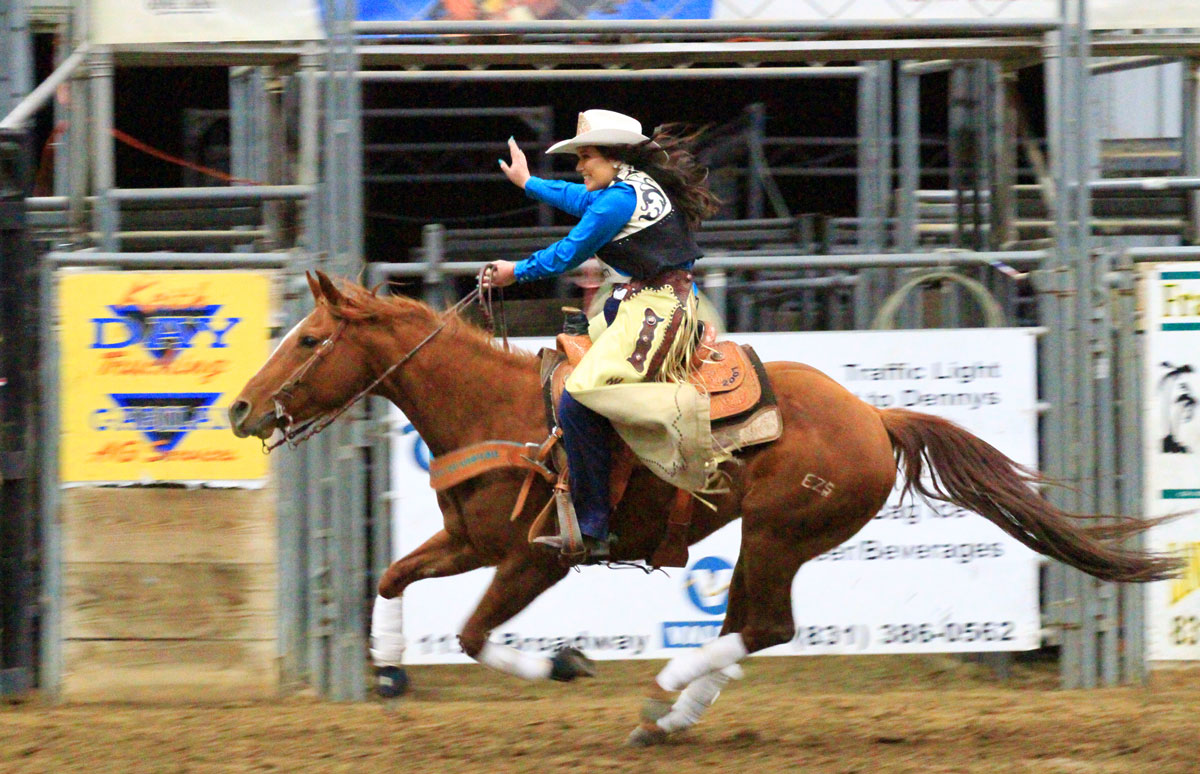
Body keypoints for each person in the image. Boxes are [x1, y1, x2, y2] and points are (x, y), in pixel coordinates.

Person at [486, 109, 722, 561]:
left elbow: (570, 250)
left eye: (586, 156)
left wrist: (516, 271)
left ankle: (593, 522)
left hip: (656, 309)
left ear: (613, 157)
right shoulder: (625, 189)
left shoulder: (616, 201)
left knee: (579, 395)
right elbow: (579, 198)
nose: (579, 166)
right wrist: (529, 183)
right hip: (641, 303)